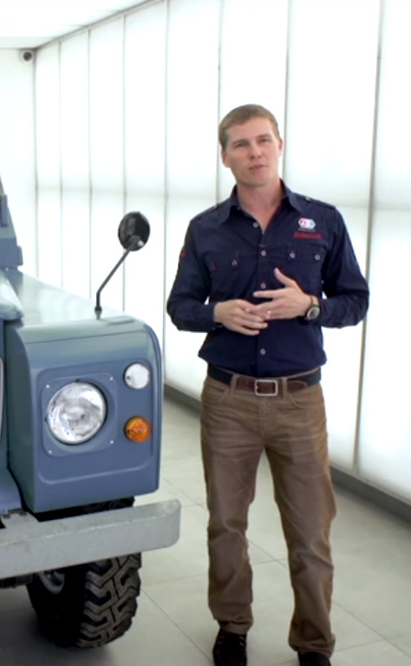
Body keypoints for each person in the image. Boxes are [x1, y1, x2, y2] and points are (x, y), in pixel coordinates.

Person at [166, 104, 369, 666]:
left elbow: (356, 302)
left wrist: (310, 307)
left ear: (279, 145)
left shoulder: (322, 221)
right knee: (226, 524)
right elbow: (180, 306)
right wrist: (218, 313)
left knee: (310, 534)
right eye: (240, 144)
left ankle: (314, 643)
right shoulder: (205, 228)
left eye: (262, 141)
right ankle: (232, 627)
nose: (253, 152)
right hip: (228, 399)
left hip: (300, 402)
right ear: (225, 155)